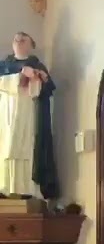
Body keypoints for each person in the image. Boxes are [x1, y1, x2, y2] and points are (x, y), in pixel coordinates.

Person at [0, 32, 58, 199]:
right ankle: (5, 188)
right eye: (15, 39)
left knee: (26, 147)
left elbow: (46, 90)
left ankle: (27, 188)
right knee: (6, 147)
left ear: (31, 45)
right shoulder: (4, 65)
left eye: (22, 39)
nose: (18, 41)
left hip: (28, 113)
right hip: (6, 113)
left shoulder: (37, 64)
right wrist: (20, 74)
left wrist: (39, 77)